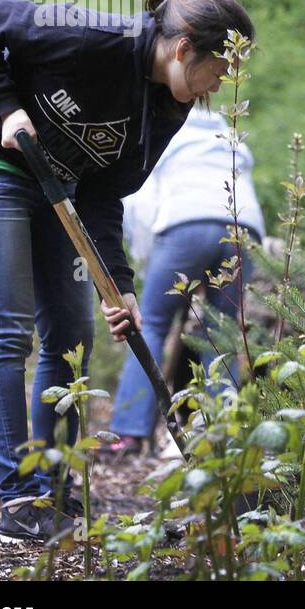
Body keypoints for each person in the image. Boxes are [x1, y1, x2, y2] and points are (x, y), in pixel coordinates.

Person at [0, 0, 256, 541]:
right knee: (8, 329)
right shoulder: (89, 36)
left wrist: (120, 285)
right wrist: (6, 109)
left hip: (58, 186)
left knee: (71, 337)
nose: (221, 85)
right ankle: (19, 499)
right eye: (220, 70)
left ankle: (57, 495)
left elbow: (105, 194)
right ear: (183, 49)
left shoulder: (169, 106)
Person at [106, 104, 266, 455]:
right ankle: (222, 434)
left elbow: (141, 205)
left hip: (183, 226)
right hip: (243, 228)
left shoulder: (161, 132)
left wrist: (148, 263)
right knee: (221, 331)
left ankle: (130, 432)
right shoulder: (232, 138)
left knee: (151, 323)